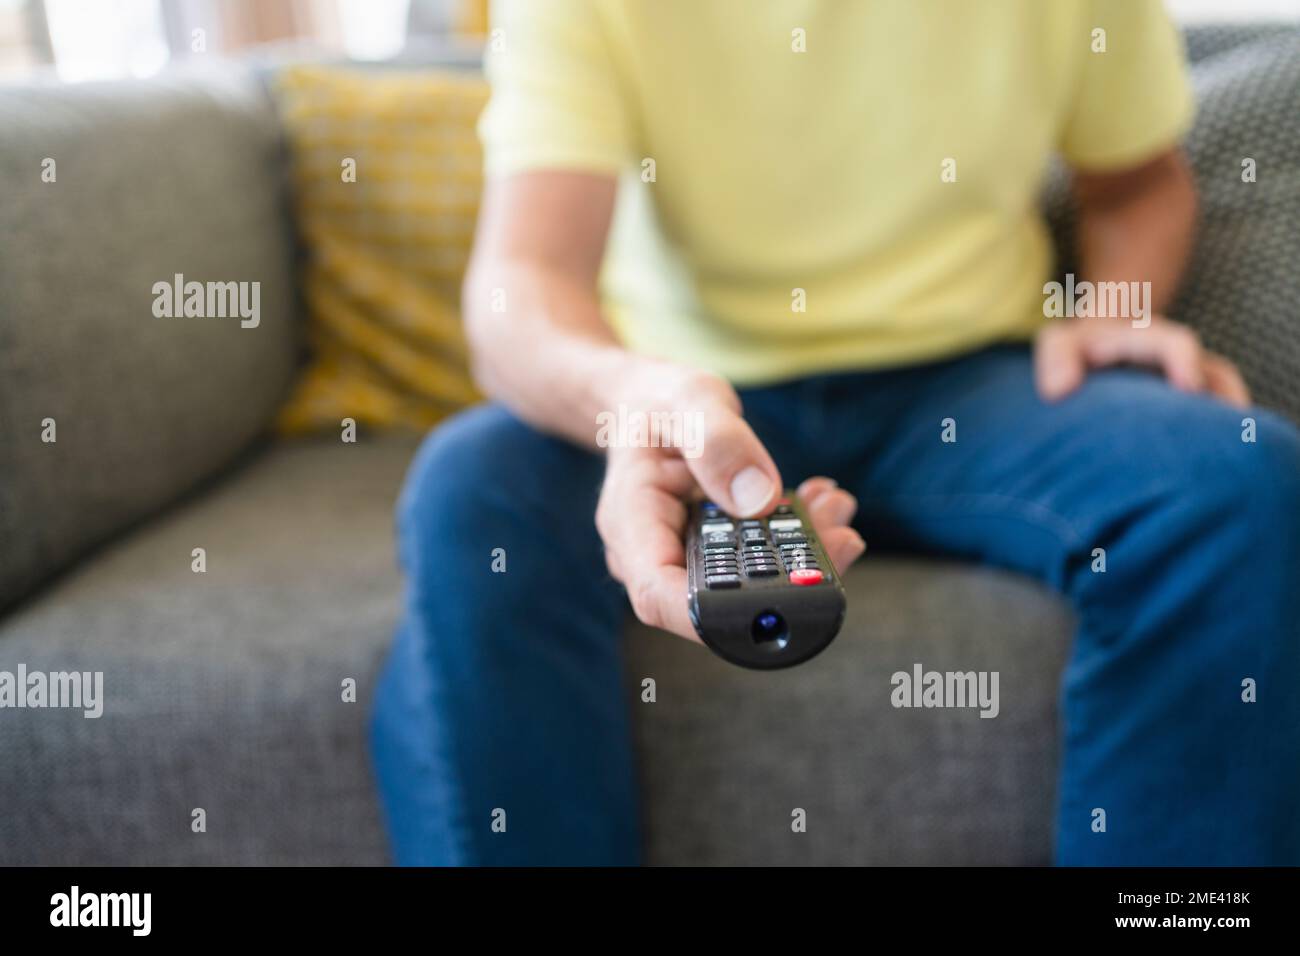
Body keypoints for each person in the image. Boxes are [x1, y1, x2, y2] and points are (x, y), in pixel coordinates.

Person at [369, 0, 1300, 865]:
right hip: (690, 398)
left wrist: (1114, 307)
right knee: (472, 487)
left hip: (969, 385)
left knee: (1239, 481)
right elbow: (521, 283)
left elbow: (1138, 186)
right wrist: (628, 400)